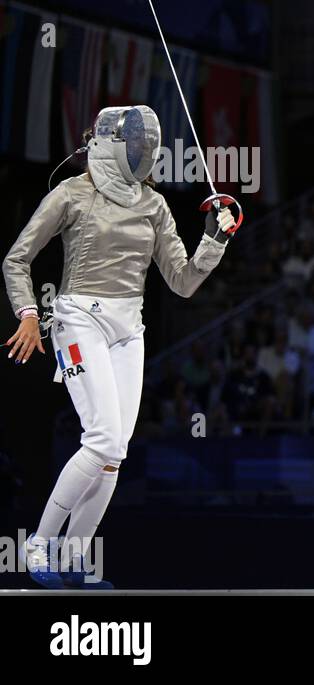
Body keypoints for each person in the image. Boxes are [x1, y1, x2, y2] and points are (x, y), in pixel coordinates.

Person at [4, 106, 237, 588]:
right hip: (77, 320)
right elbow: (17, 258)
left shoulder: (154, 205)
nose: (144, 154)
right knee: (104, 438)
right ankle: (39, 545)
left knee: (115, 452)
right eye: (135, 145)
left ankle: (73, 560)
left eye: (146, 146)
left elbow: (183, 282)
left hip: (129, 328)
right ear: (112, 145)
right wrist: (29, 314)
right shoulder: (71, 193)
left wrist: (214, 238)